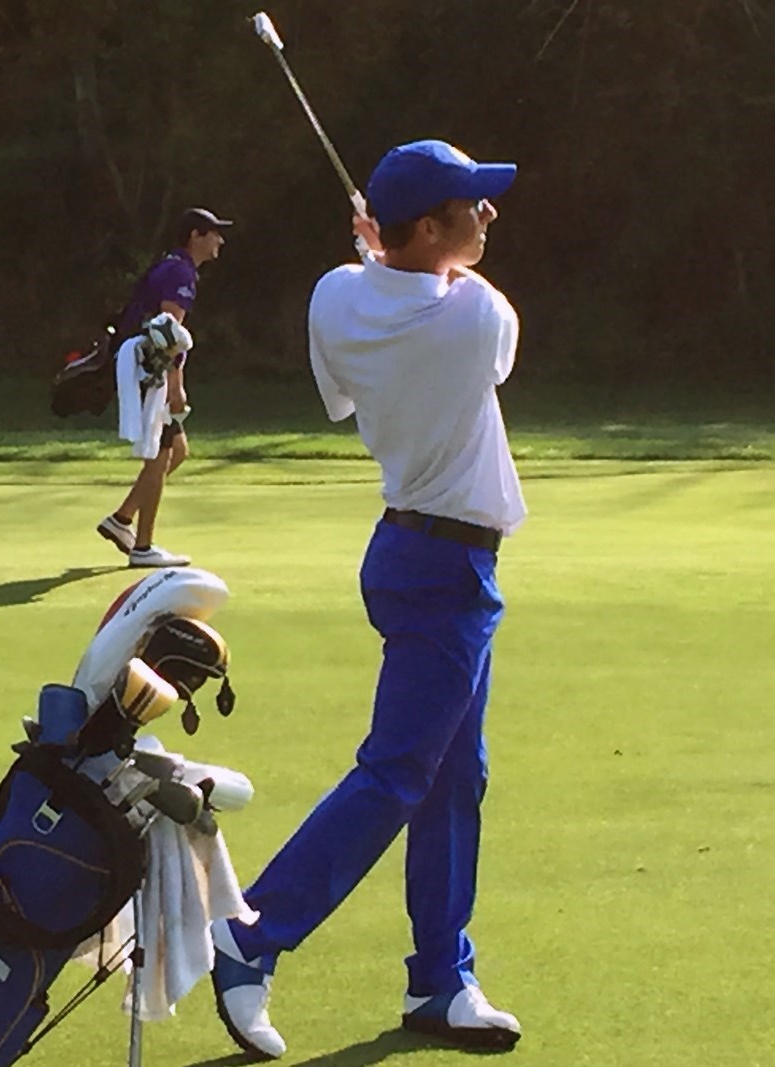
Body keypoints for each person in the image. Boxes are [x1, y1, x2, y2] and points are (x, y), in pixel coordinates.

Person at [209, 140, 525, 1058]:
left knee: (454, 775)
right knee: (397, 773)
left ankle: (441, 979)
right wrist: (383, 258)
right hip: (444, 572)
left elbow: (344, 390)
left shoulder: (333, 297)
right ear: (430, 229)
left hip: (410, 553)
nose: (488, 216)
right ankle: (250, 934)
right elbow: (456, 309)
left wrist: (375, 261)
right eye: (471, 206)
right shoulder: (479, 319)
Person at [96, 207, 232, 569]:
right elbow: (167, 334)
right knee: (161, 454)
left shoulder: (174, 266)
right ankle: (143, 548)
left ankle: (122, 519)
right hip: (148, 369)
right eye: (213, 232)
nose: (219, 239)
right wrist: (176, 385)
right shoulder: (180, 272)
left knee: (178, 450)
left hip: (142, 365)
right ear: (194, 236)